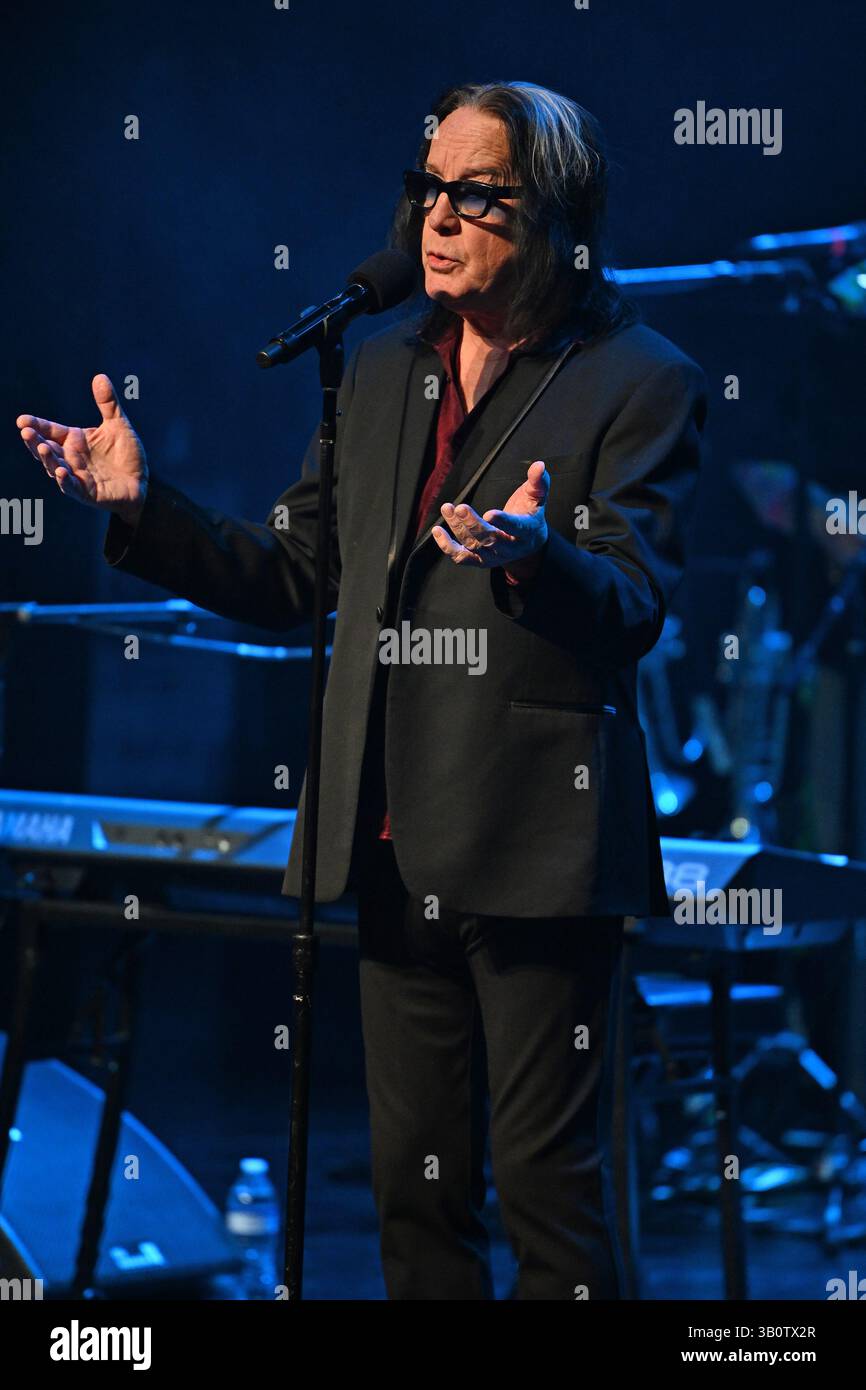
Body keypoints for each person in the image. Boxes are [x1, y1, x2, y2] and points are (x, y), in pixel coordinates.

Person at [17, 80, 707, 1300]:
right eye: (427, 189)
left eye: (475, 194)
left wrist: (534, 558)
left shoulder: (637, 376)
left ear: (550, 212)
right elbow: (294, 573)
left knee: (552, 1206)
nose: (436, 218)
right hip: (389, 837)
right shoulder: (383, 367)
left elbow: (634, 604)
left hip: (538, 843)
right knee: (414, 1197)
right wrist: (141, 510)